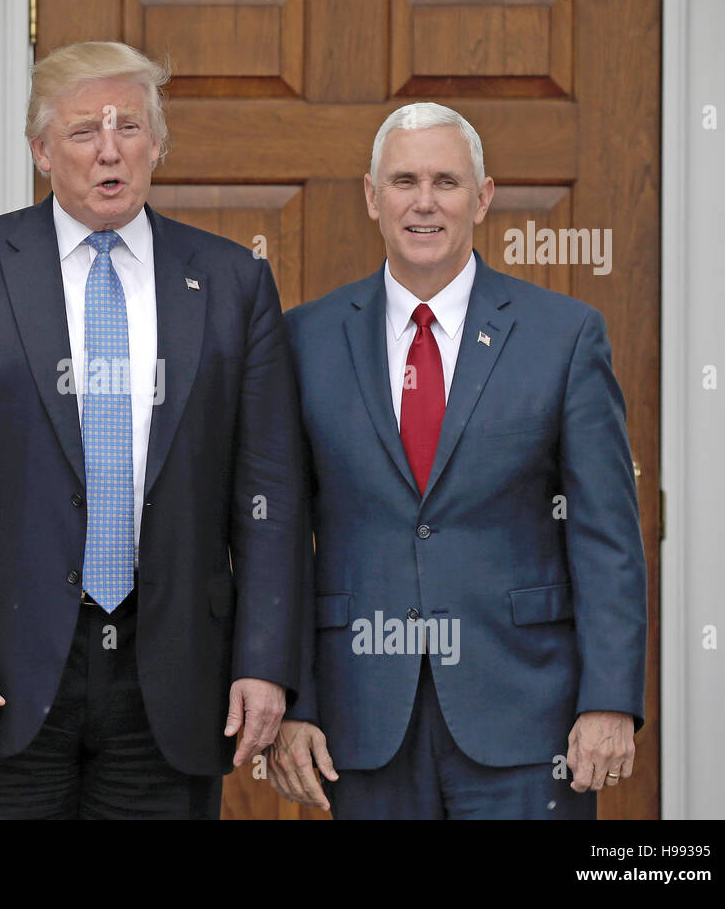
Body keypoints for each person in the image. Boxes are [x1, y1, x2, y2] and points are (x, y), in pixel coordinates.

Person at [0, 41, 305, 818]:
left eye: (130, 129)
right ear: (42, 149)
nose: (109, 151)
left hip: (174, 679)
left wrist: (264, 659)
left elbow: (269, 492)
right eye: (84, 131)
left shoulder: (231, 281)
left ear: (159, 145)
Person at [270, 103, 647, 819]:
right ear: (371, 196)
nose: (423, 201)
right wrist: (294, 699)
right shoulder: (305, 340)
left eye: (446, 180)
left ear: (483, 196)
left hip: (529, 718)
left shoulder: (564, 336)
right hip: (361, 718)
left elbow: (607, 540)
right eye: (404, 179)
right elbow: (279, 538)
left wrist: (609, 700)